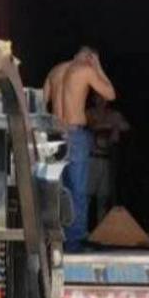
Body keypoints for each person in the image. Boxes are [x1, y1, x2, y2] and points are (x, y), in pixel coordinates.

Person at [43, 47, 116, 251]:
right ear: (89, 57)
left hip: (54, 135)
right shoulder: (86, 69)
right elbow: (110, 94)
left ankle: (55, 238)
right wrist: (98, 66)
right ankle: (75, 241)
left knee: (55, 188)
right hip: (75, 133)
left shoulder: (55, 71)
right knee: (78, 190)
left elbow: (42, 103)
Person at [86, 93, 130, 227]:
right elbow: (92, 126)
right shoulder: (89, 113)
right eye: (98, 97)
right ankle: (82, 230)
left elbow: (126, 126)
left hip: (107, 160)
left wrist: (114, 127)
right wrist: (111, 125)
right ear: (93, 99)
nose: (101, 100)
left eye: (103, 98)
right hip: (92, 159)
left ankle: (101, 229)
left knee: (103, 198)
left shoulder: (113, 114)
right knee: (86, 196)